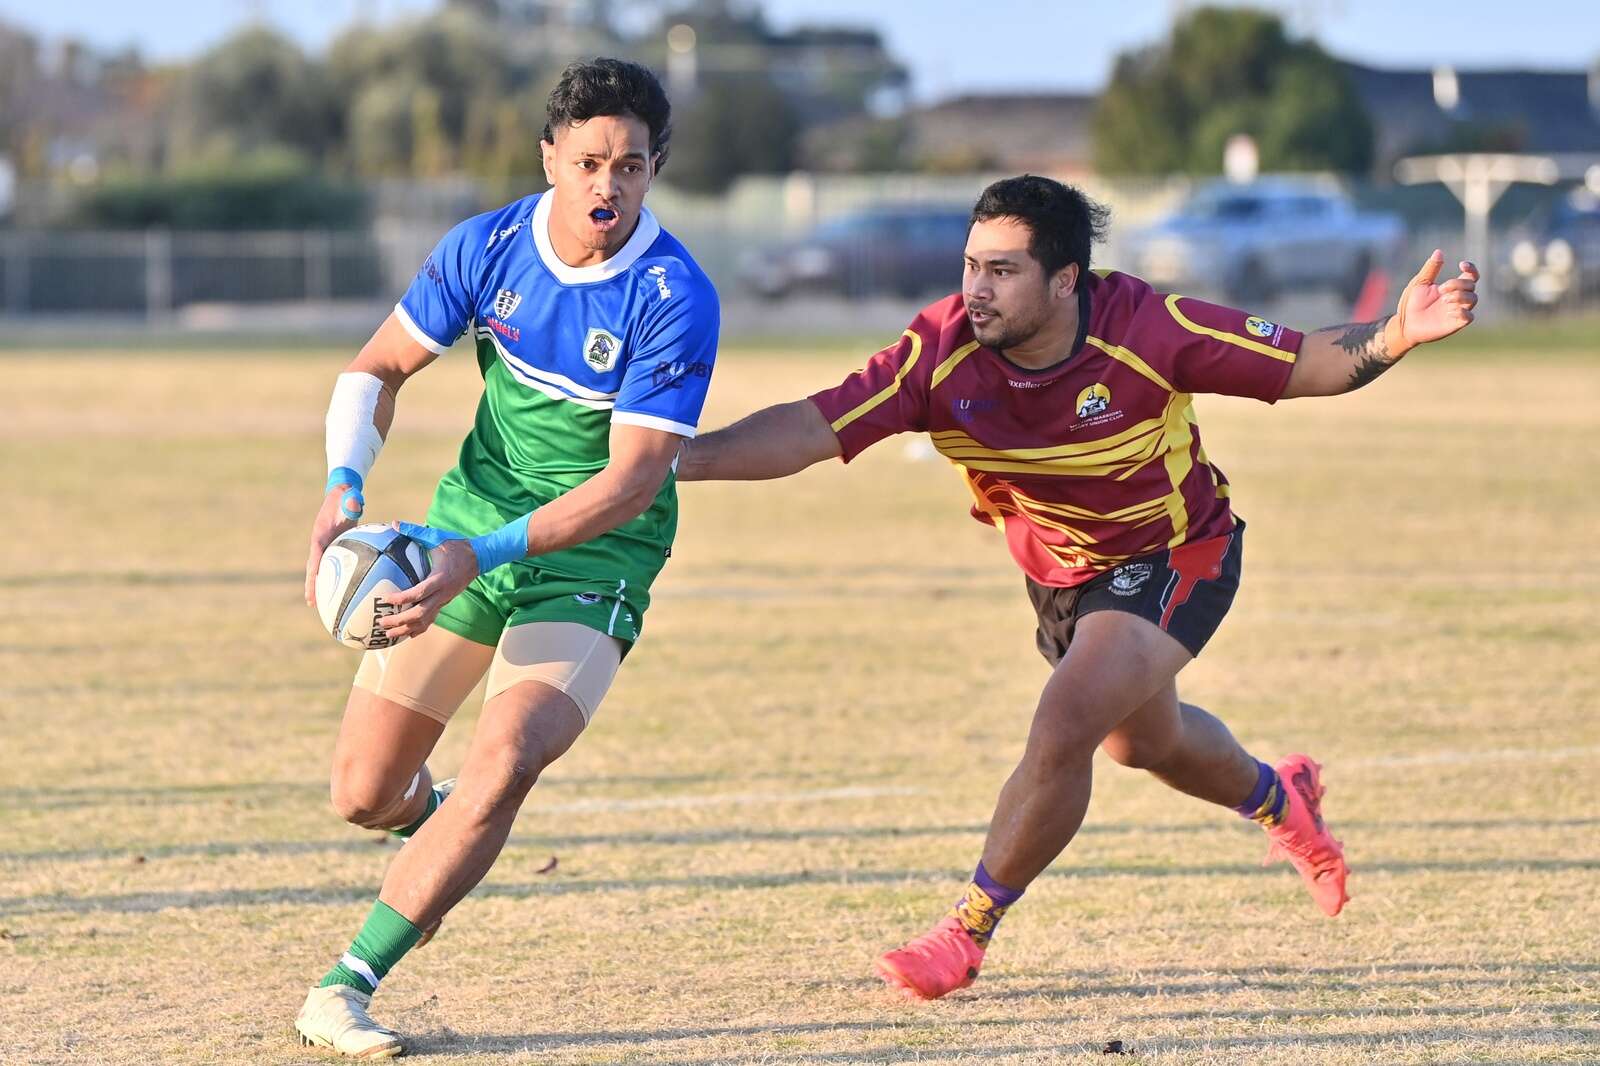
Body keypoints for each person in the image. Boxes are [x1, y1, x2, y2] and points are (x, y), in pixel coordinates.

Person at [677, 174, 1478, 1000]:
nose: (976, 290)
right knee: (1145, 746)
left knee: (1065, 723)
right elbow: (814, 426)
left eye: (1003, 271)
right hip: (1061, 575)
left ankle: (966, 933)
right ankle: (1282, 796)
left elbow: (1307, 360)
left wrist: (1394, 334)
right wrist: (672, 463)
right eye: (970, 266)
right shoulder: (939, 352)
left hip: (1179, 553)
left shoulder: (1149, 328)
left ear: (1067, 280)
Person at [295, 58, 719, 1056]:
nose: (606, 185)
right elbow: (376, 369)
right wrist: (344, 486)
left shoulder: (673, 294)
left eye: (628, 164)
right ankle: (439, 824)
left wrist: (475, 555)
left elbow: (629, 481)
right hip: (465, 522)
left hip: (594, 555)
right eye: (587, 162)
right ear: (550, 158)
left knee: (507, 755)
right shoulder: (486, 247)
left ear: (656, 168)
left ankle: (343, 985)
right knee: (363, 793)